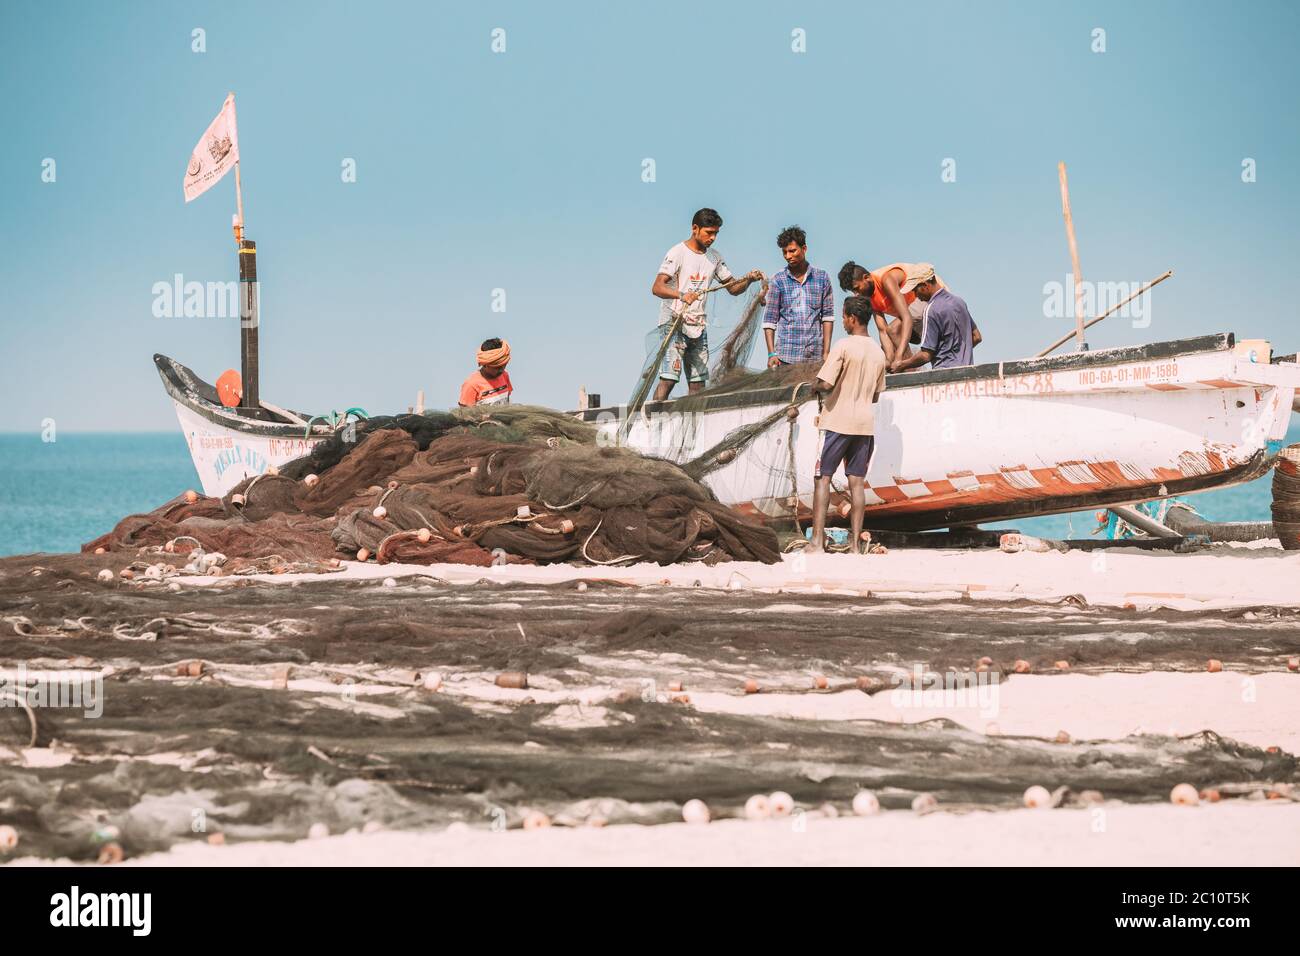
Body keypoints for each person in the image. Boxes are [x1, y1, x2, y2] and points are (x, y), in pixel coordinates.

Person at [651, 208, 763, 401]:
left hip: (698, 325)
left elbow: (733, 288)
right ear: (695, 228)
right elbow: (657, 287)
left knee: (698, 384)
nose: (712, 238)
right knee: (669, 379)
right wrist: (681, 295)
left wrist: (749, 279)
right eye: (709, 233)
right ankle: (651, 421)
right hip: (674, 323)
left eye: (716, 233)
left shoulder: (714, 257)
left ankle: (694, 425)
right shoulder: (677, 252)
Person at [806, 296, 888, 555]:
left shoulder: (842, 346)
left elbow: (826, 384)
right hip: (864, 425)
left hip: (837, 422)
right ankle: (854, 547)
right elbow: (876, 394)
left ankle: (816, 543)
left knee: (822, 478)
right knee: (857, 483)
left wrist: (814, 385)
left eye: (843, 317)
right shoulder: (878, 352)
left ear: (852, 318)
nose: (842, 321)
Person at [837, 261, 947, 372]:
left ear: (866, 278)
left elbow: (906, 318)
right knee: (888, 345)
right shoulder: (869, 296)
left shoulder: (887, 279)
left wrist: (898, 358)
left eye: (856, 288)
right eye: (853, 291)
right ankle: (910, 371)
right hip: (913, 311)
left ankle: (910, 370)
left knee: (894, 330)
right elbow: (883, 331)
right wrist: (889, 360)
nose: (856, 294)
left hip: (931, 296)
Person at [763, 226, 834, 368]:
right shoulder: (778, 280)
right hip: (786, 357)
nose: (788, 256)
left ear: (804, 249)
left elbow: (828, 317)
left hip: (815, 357)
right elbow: (769, 321)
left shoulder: (822, 277)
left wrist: (826, 352)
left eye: (792, 251)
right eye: (784, 252)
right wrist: (771, 354)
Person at [891, 272, 982, 371]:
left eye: (915, 290)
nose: (915, 296)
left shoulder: (931, 309)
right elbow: (977, 337)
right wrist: (959, 354)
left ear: (925, 285)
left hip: (944, 374)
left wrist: (902, 365)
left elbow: (926, 355)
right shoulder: (959, 302)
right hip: (967, 372)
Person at [458, 337, 514, 407]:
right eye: (497, 367)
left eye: (504, 365)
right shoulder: (471, 385)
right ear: (484, 364)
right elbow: (464, 414)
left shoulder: (504, 375)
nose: (501, 370)